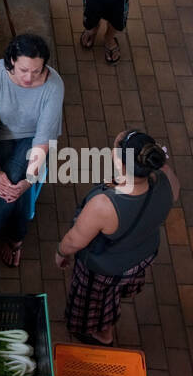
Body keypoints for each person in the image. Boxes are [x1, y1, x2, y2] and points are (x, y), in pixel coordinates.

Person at [57, 130, 179, 345]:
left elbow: (74, 240)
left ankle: (102, 335)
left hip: (106, 267)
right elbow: (171, 189)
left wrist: (60, 253)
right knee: (113, 292)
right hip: (143, 254)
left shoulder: (104, 206)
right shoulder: (166, 179)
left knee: (96, 301)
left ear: (120, 163)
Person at [0, 33, 65, 282]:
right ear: (10, 62)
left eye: (37, 71)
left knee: (16, 183)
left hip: (32, 140)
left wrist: (28, 181)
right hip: (2, 138)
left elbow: (43, 139)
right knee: (10, 185)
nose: (29, 78)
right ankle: (16, 239)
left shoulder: (54, 86)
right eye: (23, 70)